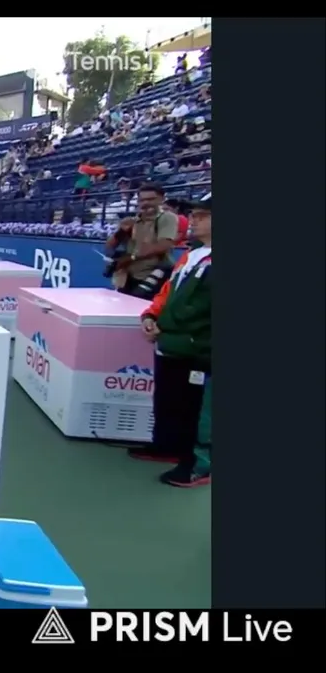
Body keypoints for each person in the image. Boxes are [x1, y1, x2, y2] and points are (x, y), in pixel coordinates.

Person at [131, 193, 211, 488]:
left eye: (202, 216)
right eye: (194, 215)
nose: (193, 220)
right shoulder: (191, 255)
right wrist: (151, 316)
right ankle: (167, 446)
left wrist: (164, 325)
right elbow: (166, 293)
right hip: (171, 342)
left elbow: (200, 308)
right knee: (169, 398)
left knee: (197, 409)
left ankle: (199, 464)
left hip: (199, 348)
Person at [115, 183, 179, 295]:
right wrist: (121, 231)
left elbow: (164, 245)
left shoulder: (167, 217)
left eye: (151, 199)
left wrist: (131, 258)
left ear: (162, 199)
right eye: (142, 200)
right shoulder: (133, 220)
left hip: (152, 276)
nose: (146, 203)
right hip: (128, 276)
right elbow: (110, 245)